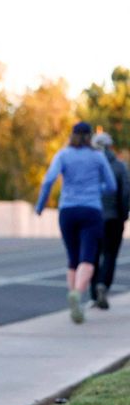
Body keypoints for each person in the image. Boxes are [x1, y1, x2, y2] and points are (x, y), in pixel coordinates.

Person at [35, 121, 116, 324]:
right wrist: (96, 189)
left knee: (72, 258)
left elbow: (48, 180)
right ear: (90, 137)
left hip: (68, 210)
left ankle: (75, 302)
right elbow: (111, 186)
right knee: (87, 258)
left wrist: (40, 205)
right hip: (91, 211)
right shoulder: (97, 156)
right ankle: (77, 294)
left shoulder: (63, 155)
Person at [89, 131, 130, 310]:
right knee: (110, 255)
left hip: (93, 217)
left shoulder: (90, 165)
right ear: (110, 146)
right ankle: (103, 285)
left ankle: (93, 294)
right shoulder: (119, 166)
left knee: (92, 256)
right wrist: (124, 215)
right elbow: (125, 192)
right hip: (113, 218)